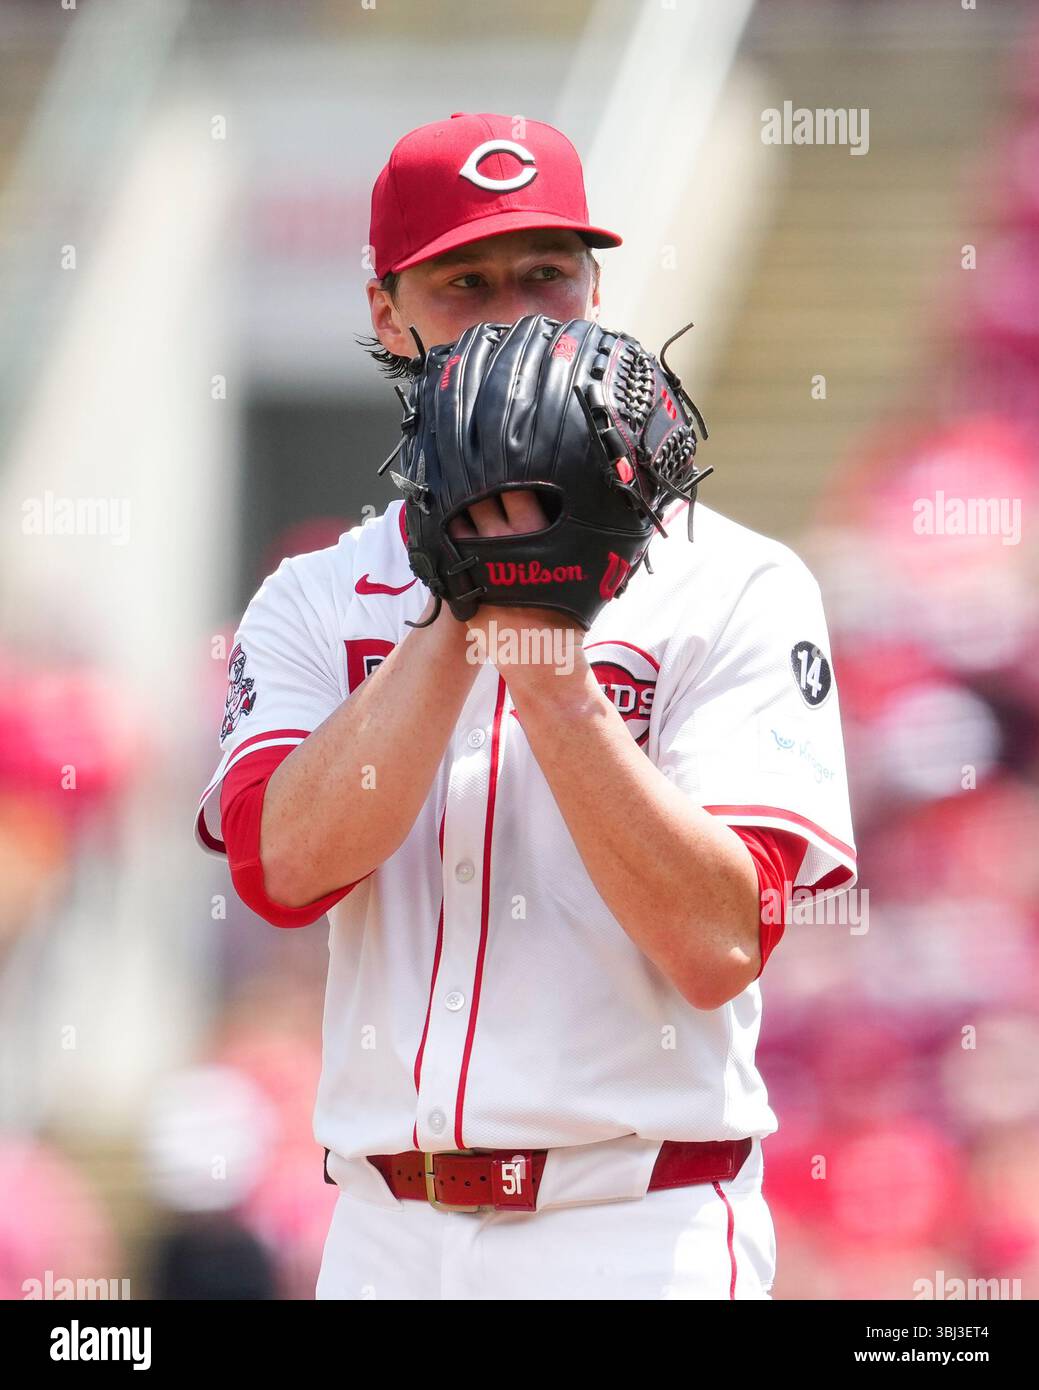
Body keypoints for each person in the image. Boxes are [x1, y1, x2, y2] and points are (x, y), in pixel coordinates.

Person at [194, 111, 857, 1300]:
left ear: (593, 290)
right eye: (465, 283)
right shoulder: (313, 594)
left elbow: (717, 947)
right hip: (385, 1234)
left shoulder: (736, 581)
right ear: (386, 313)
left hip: (635, 1226)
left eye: (546, 275)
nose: (512, 315)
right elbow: (280, 871)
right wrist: (461, 611)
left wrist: (552, 676)